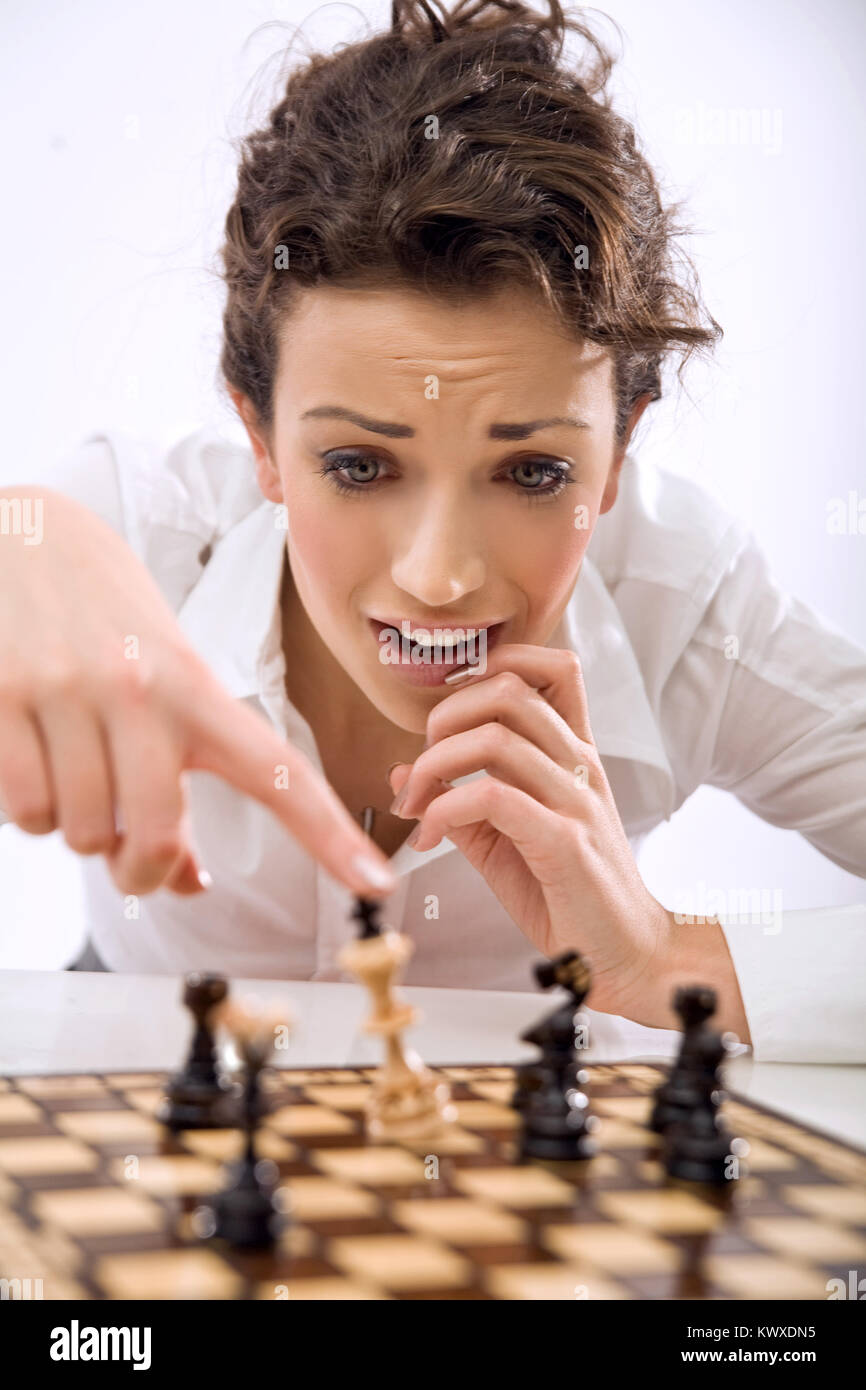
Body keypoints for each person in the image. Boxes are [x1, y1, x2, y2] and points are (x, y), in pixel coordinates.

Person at [1, 0, 863, 1061]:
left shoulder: (689, 605)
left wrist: (663, 955)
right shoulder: (131, 535)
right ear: (257, 439)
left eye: (533, 471)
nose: (439, 575)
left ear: (622, 447)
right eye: (357, 466)